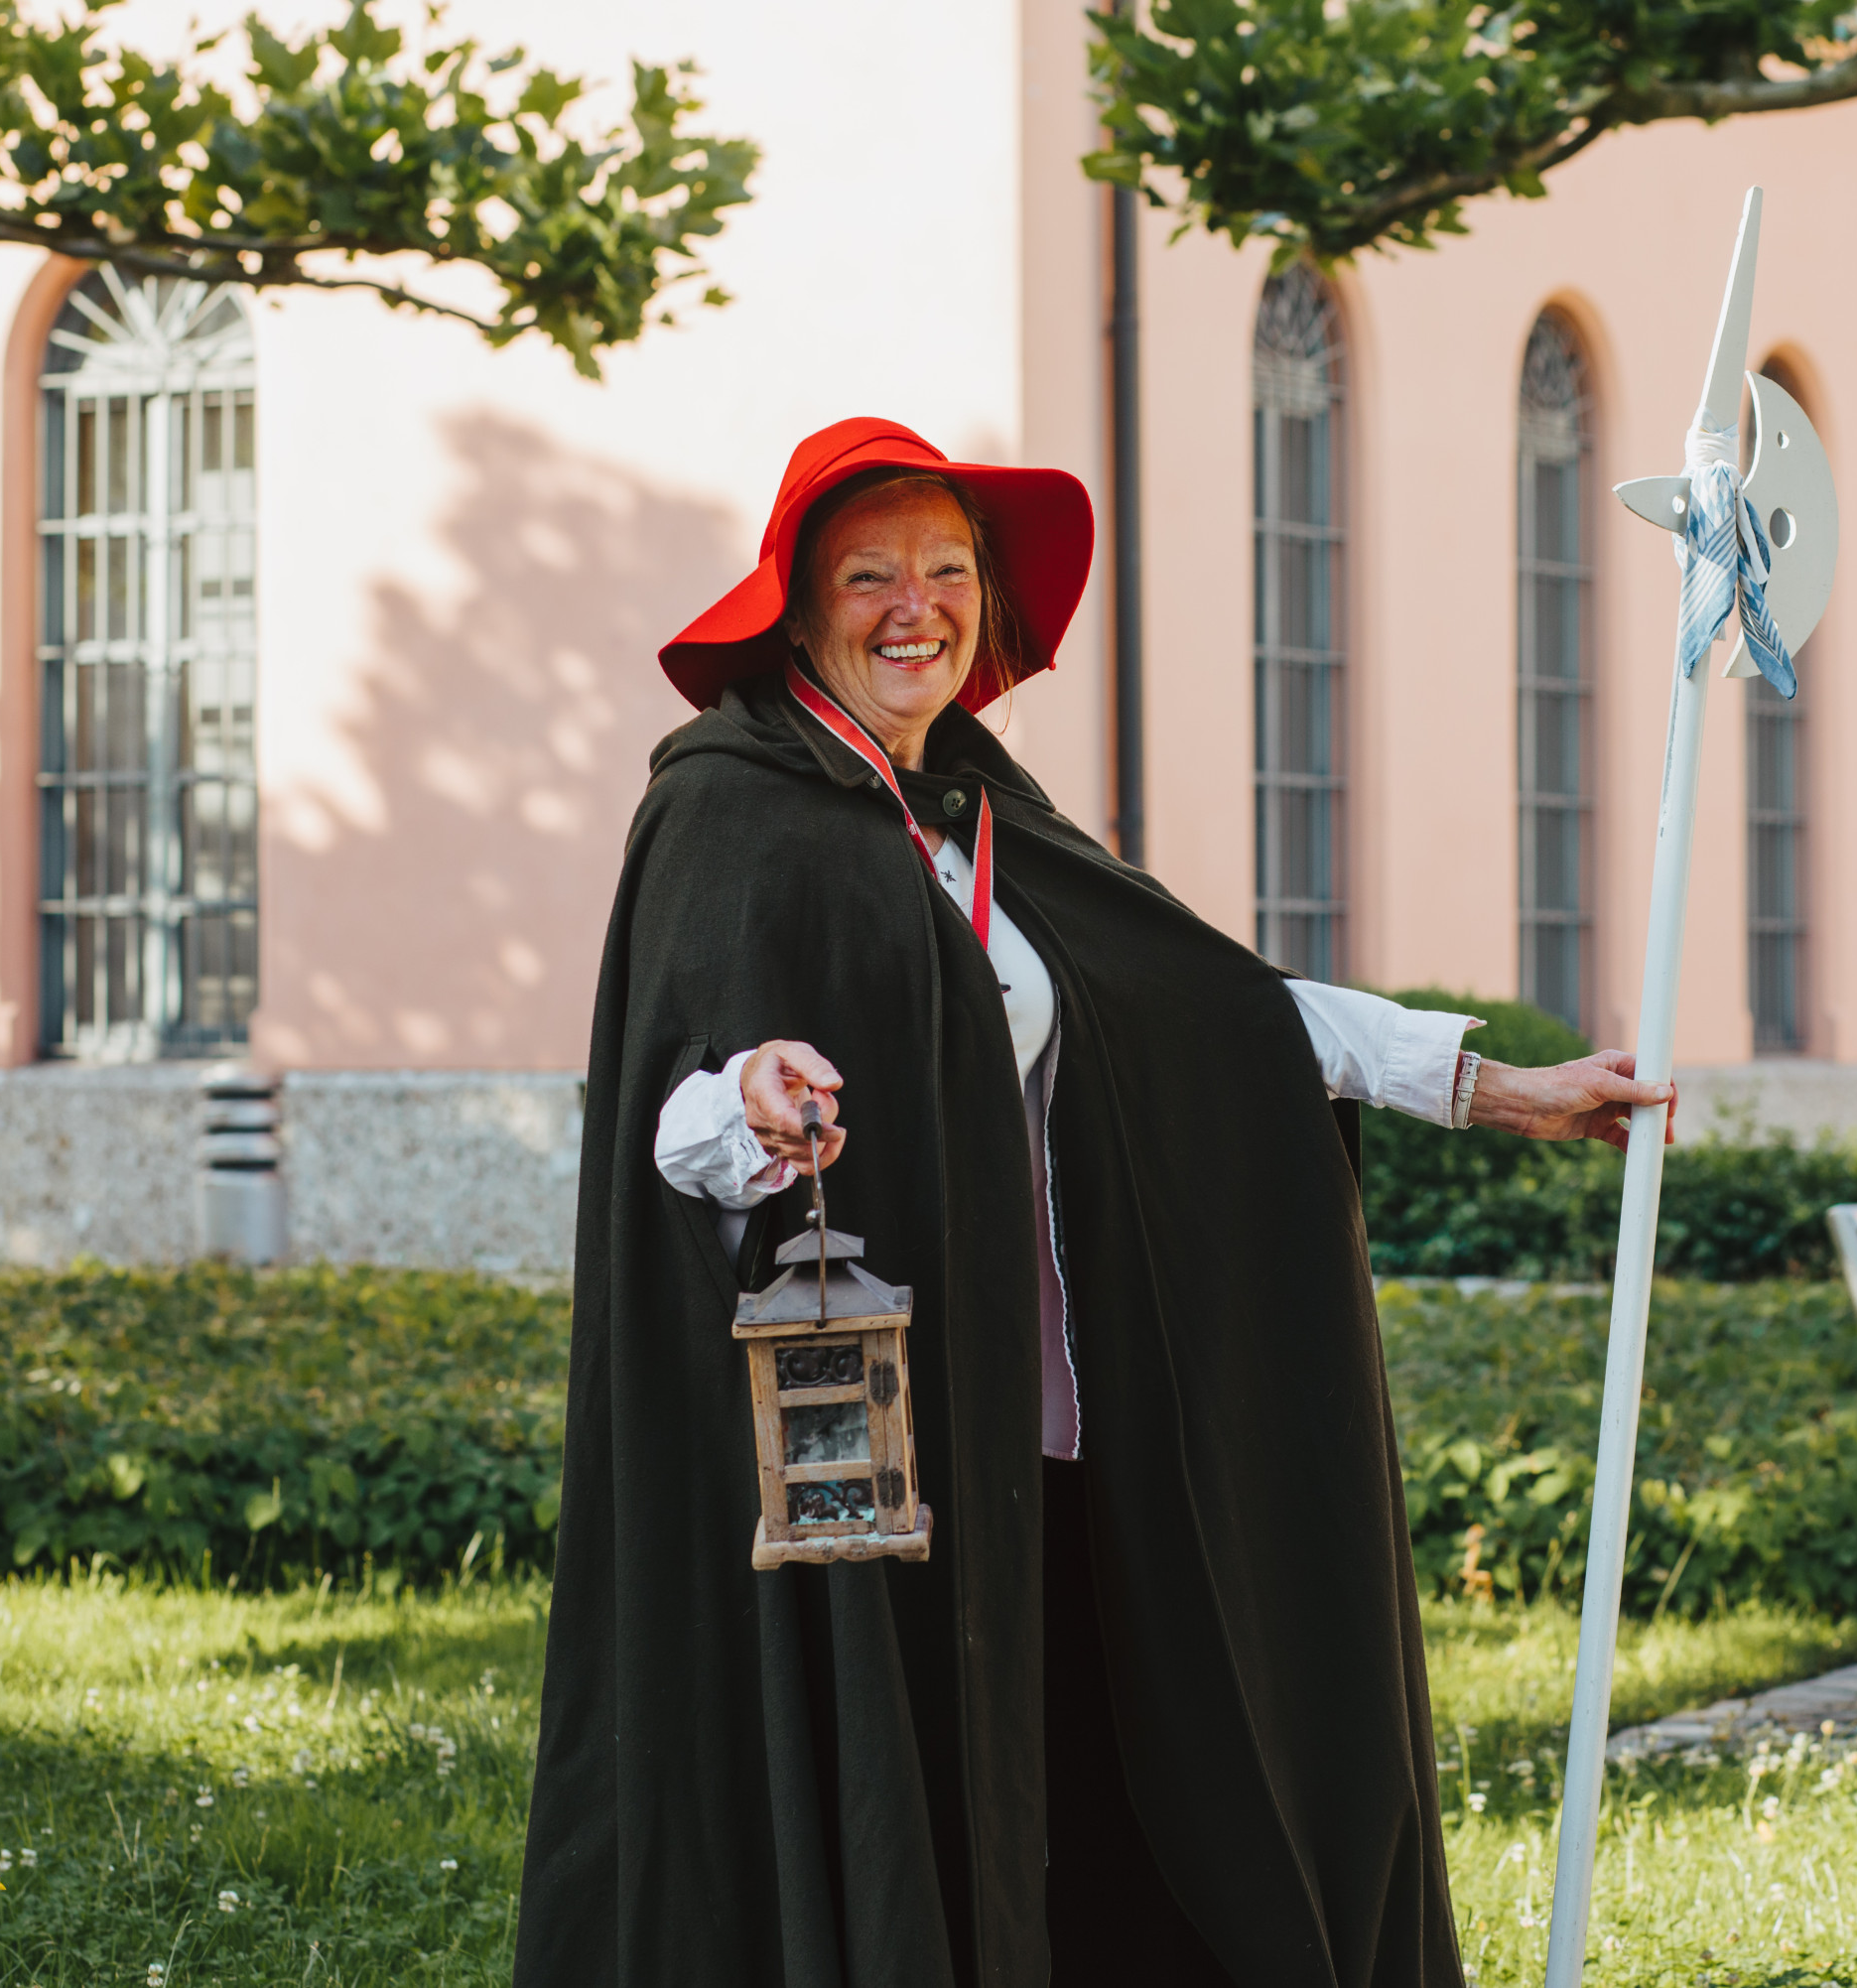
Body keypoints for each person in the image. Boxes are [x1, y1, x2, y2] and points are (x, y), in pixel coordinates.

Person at [514, 417, 1672, 1988]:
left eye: (945, 571)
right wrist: (752, 1103)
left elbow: (1208, 1014)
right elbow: (665, 1128)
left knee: (1071, 1766)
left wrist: (1489, 1086)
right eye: (867, 577)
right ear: (793, 606)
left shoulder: (980, 810)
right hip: (848, 1427)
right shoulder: (729, 809)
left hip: (1041, 1414)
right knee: (893, 1769)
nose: (914, 607)